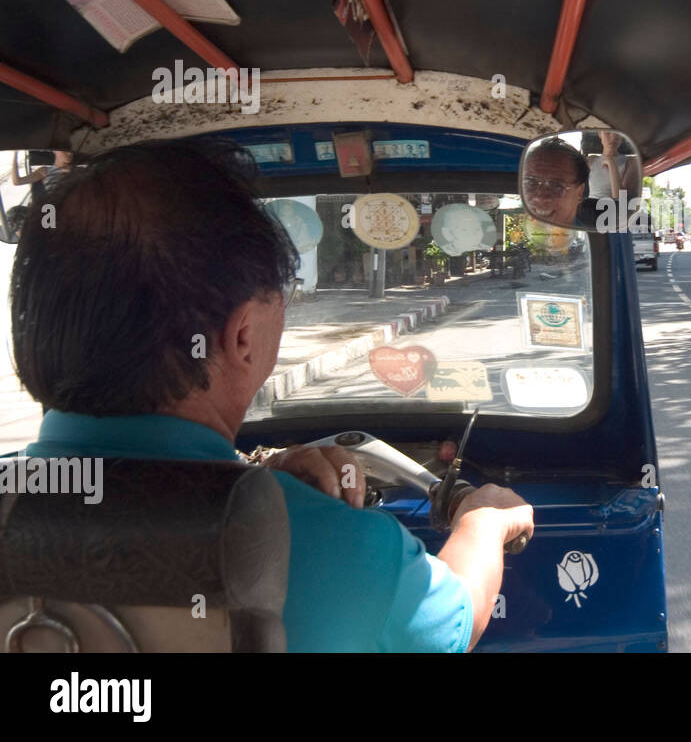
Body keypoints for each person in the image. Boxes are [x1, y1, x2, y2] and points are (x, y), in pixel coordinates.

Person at [14, 139, 532, 652]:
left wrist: (258, 482)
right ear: (242, 335)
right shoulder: (338, 546)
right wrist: (482, 521)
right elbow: (459, 618)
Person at [522, 138, 593, 227]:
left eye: (556, 186)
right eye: (530, 183)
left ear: (579, 192)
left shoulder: (588, 239)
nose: (540, 197)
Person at [582, 131, 639, 200]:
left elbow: (620, 197)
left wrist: (611, 164)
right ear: (600, 134)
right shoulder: (591, 160)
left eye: (617, 133)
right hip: (590, 208)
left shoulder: (631, 162)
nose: (613, 137)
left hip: (614, 208)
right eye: (607, 132)